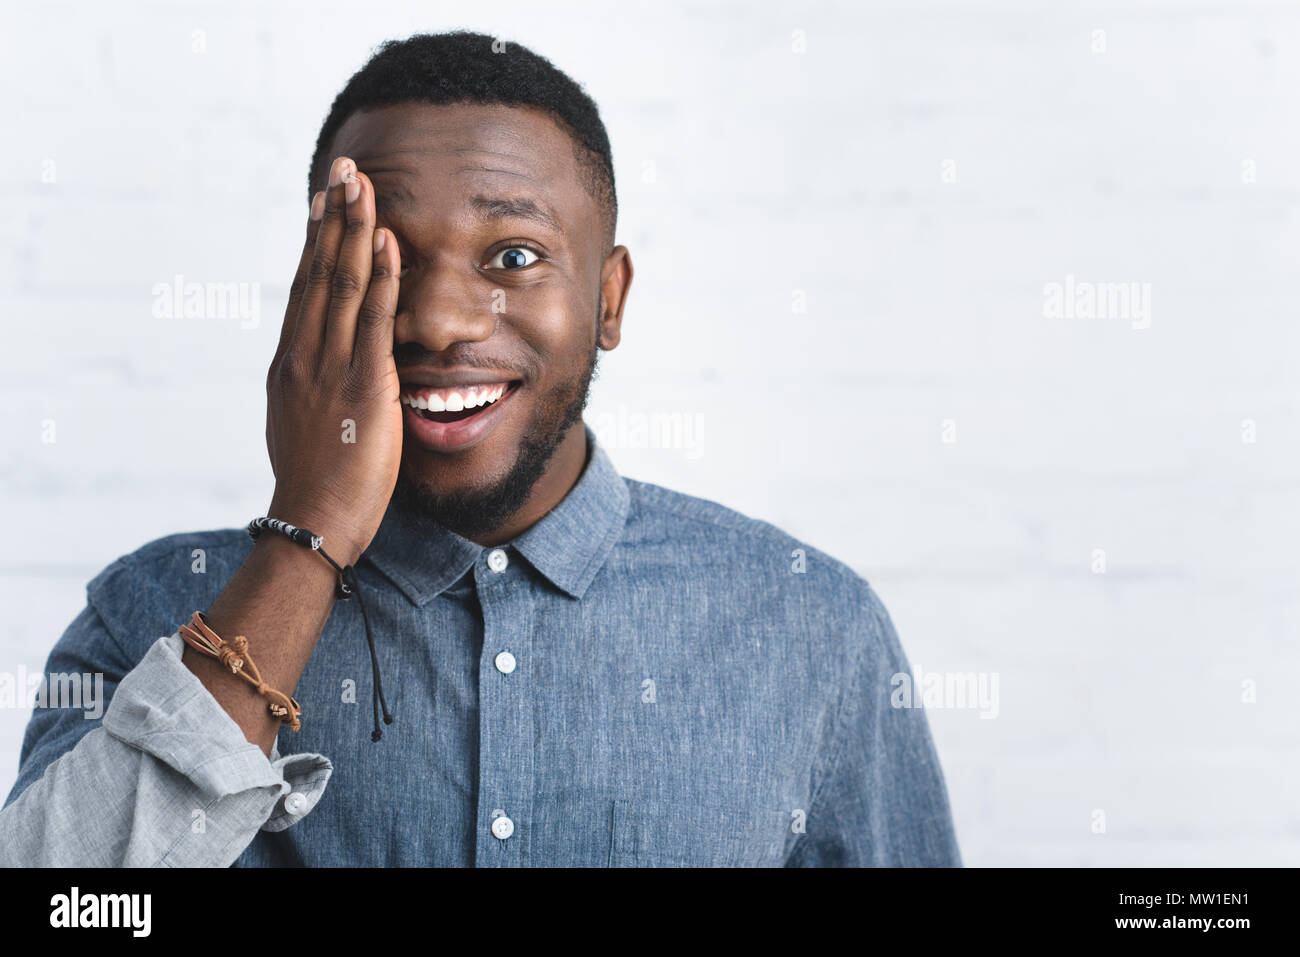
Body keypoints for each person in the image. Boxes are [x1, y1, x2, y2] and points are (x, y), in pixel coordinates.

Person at [0, 30, 961, 867]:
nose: (438, 320)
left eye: (513, 256)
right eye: (387, 257)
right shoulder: (148, 617)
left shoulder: (813, 627)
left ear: (610, 298)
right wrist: (311, 529)